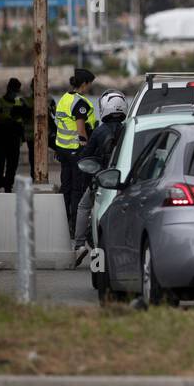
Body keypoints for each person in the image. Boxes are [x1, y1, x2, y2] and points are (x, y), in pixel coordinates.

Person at [72, 89, 129, 267]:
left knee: (84, 207)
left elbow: (86, 157)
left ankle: (80, 246)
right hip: (124, 180)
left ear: (105, 107)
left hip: (102, 181)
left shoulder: (99, 131)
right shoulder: (128, 129)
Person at [54, 67, 98, 231]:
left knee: (65, 186)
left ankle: (63, 223)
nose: (90, 87)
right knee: (76, 189)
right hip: (75, 150)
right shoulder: (80, 103)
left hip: (62, 149)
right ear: (84, 84)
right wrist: (87, 148)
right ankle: (74, 226)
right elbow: (81, 130)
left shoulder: (64, 98)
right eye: (90, 84)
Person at [0, 77, 26, 193]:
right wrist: (12, 120)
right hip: (0, 139)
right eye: (13, 90)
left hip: (14, 140)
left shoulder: (20, 102)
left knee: (12, 166)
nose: (14, 93)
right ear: (8, 88)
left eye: (16, 91)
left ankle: (8, 186)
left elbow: (24, 118)